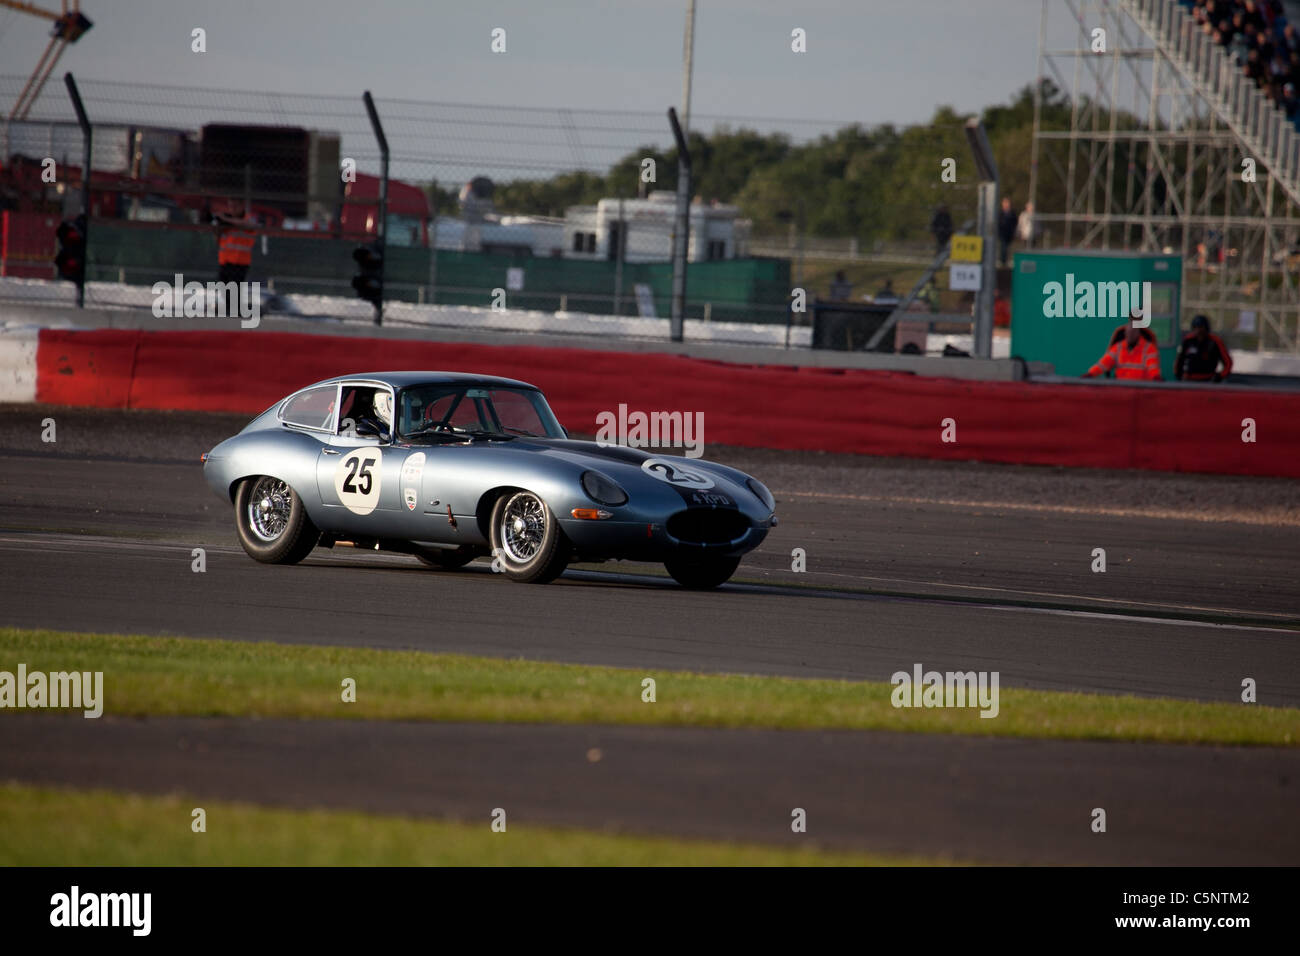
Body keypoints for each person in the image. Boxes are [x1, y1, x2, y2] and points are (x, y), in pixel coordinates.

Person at [1082, 312, 1162, 380]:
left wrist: (1156, 377)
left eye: (1133, 332)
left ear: (1138, 333)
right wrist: (1090, 374)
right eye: (1128, 333)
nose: (1130, 335)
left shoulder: (1149, 347)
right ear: (1125, 333)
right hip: (1121, 387)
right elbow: (1104, 362)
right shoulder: (1118, 346)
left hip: (1141, 388)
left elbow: (1153, 366)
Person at [1175, 314, 1233, 382]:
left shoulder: (1215, 342)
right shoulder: (1188, 340)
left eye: (1200, 327)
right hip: (1189, 380)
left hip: (1208, 380)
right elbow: (1180, 360)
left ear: (1206, 328)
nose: (1198, 330)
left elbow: (1228, 363)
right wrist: (1179, 375)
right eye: (1195, 327)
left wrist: (1219, 376)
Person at [997, 197, 1018, 266]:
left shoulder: (1012, 213)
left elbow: (1015, 223)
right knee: (1003, 247)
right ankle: (1002, 261)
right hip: (1002, 233)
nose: (1007, 204)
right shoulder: (1000, 213)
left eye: (1008, 203)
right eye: (1005, 203)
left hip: (1010, 233)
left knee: (1009, 247)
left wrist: (1014, 231)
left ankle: (1008, 260)